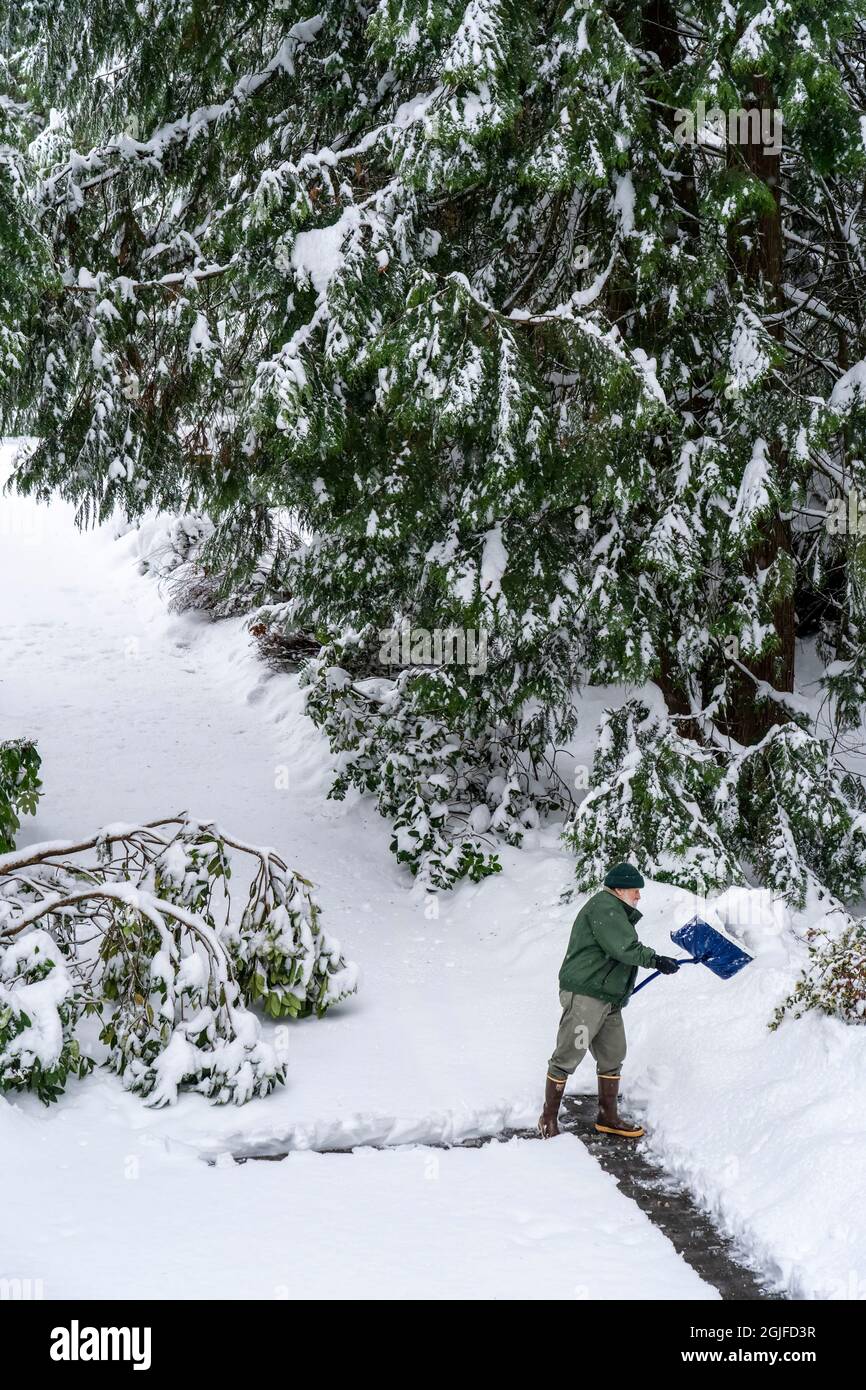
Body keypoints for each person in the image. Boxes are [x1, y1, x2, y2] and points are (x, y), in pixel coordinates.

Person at [538, 862, 680, 1140]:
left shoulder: (614, 910)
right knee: (569, 1054)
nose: (639, 896)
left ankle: (607, 1116)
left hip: (607, 998)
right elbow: (623, 947)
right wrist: (655, 960)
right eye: (635, 891)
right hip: (587, 996)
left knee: (613, 1054)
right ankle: (548, 1119)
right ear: (618, 889)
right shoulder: (605, 906)